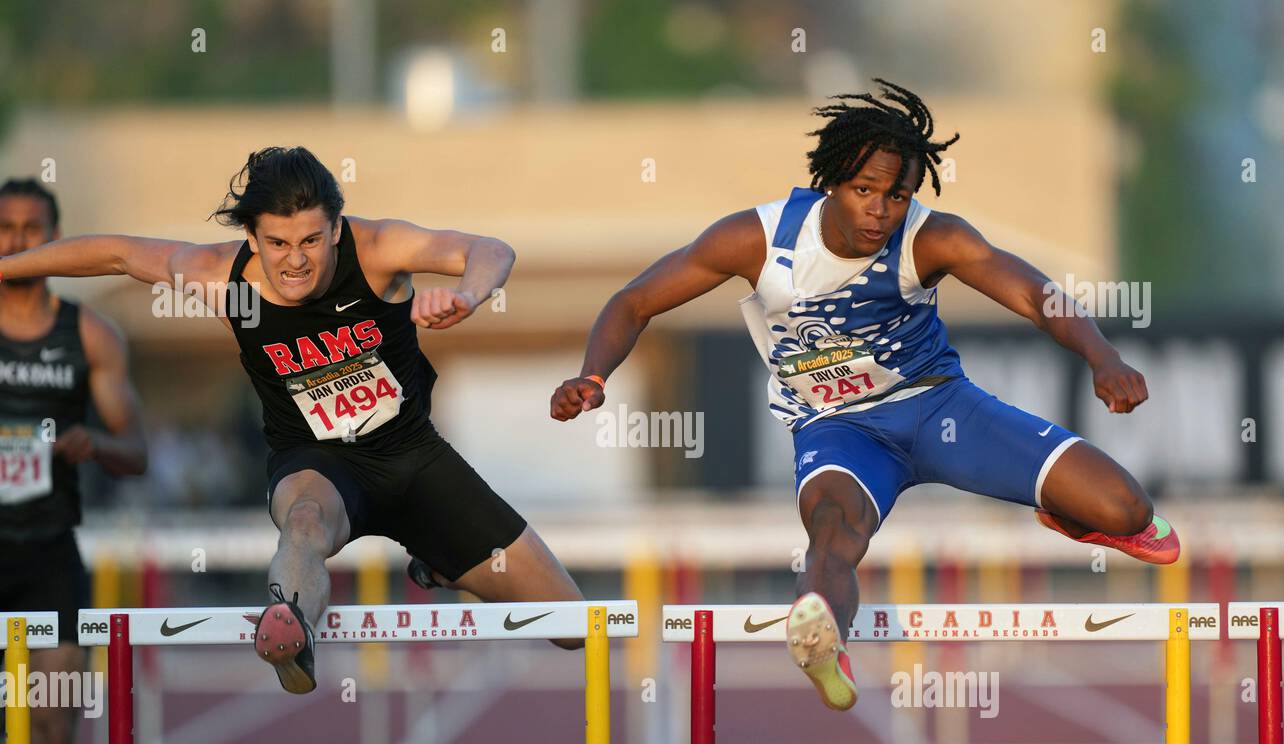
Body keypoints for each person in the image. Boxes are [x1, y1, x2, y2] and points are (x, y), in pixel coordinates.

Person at [551, 80, 1179, 711]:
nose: (880, 210)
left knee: (1128, 512)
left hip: (939, 408)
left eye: (897, 195)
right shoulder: (758, 240)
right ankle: (821, 636)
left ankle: (1069, 512)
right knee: (833, 529)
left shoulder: (932, 238)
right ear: (832, 183)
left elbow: (1033, 295)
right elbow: (633, 302)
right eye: (864, 191)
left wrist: (1104, 356)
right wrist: (594, 375)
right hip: (837, 427)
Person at [0, 147, 584, 696]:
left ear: (336, 228)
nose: (295, 260)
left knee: (572, 624)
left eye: (311, 239)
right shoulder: (222, 279)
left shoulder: (378, 250)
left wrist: (468, 295)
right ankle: (291, 633)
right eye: (277, 243)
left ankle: (441, 565)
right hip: (317, 465)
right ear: (251, 237)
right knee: (303, 522)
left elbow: (489, 248)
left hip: (416, 459)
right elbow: (117, 253)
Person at [0, 178, 148, 744]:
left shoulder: (90, 333)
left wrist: (96, 445)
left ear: (55, 241)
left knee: (50, 742)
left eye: (33, 228)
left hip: (49, 560)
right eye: (5, 226)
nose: (17, 240)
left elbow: (137, 452)